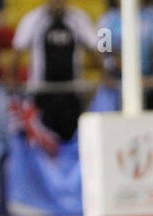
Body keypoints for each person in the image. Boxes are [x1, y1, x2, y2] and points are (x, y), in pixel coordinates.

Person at [12, 0, 101, 141]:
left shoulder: (79, 18)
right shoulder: (32, 19)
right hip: (41, 93)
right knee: (44, 141)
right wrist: (13, 81)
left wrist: (106, 67)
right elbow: (17, 52)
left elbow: (97, 49)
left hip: (71, 93)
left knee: (70, 137)